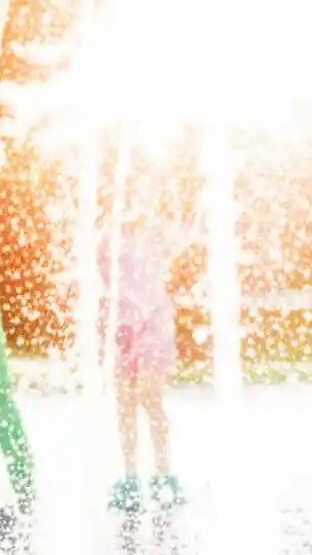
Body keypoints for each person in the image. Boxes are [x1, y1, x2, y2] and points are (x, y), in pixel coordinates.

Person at [101, 208, 186, 512]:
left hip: (153, 322)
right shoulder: (106, 236)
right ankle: (130, 477)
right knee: (124, 402)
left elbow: (181, 243)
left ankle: (164, 473)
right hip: (120, 325)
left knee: (150, 396)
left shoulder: (156, 231)